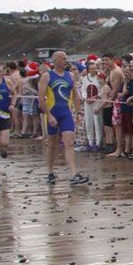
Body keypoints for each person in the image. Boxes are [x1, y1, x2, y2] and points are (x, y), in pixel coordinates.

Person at [39, 51, 86, 185]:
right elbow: (41, 98)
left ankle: (73, 174)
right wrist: (49, 115)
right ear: (55, 61)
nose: (66, 61)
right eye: (63, 59)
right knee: (52, 144)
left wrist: (78, 112)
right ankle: (50, 172)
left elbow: (75, 95)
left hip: (66, 113)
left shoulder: (70, 75)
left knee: (69, 143)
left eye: (66, 58)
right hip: (52, 113)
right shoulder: (47, 76)